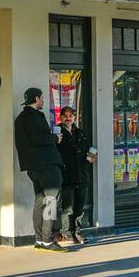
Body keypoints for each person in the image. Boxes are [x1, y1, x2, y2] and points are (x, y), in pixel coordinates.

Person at [14, 87, 68, 249]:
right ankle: (47, 239)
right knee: (52, 199)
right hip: (47, 164)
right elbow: (38, 138)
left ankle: (39, 239)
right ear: (36, 99)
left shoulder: (21, 118)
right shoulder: (36, 116)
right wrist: (54, 137)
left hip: (32, 166)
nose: (43, 101)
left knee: (40, 200)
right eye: (42, 98)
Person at [56, 105, 97, 245]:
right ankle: (67, 233)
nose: (68, 118)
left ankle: (77, 232)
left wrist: (91, 157)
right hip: (67, 175)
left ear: (75, 117)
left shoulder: (80, 133)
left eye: (70, 116)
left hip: (82, 175)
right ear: (61, 117)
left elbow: (89, 150)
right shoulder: (57, 134)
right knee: (68, 208)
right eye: (65, 116)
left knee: (79, 207)